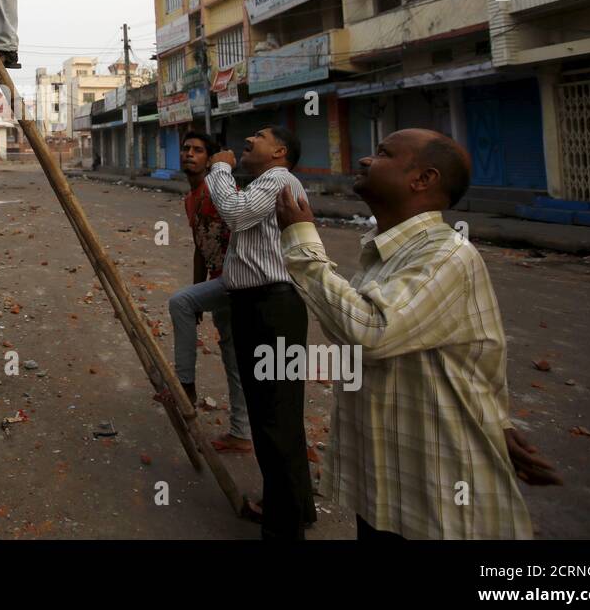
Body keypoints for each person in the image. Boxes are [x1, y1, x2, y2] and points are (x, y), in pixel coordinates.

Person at [275, 129, 561, 540]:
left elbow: (370, 334)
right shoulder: (391, 252)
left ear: (423, 179)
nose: (366, 160)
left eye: (384, 154)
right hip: (392, 490)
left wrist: (301, 241)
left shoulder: (447, 255)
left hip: (438, 501)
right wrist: (497, 422)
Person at [204, 126, 316, 540]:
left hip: (271, 309)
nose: (249, 138)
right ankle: (296, 508)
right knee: (281, 418)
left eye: (261, 135)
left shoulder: (277, 178)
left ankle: (283, 529)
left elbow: (234, 212)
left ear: (280, 151)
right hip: (265, 307)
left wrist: (218, 170)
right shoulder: (269, 182)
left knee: (272, 422)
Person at [166, 131, 251, 453]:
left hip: (238, 281)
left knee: (180, 302)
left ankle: (185, 385)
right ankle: (242, 433)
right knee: (233, 356)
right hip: (218, 282)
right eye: (186, 149)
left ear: (211, 159)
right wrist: (199, 290)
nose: (189, 154)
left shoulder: (219, 191)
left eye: (198, 150)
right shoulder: (191, 198)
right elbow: (200, 249)